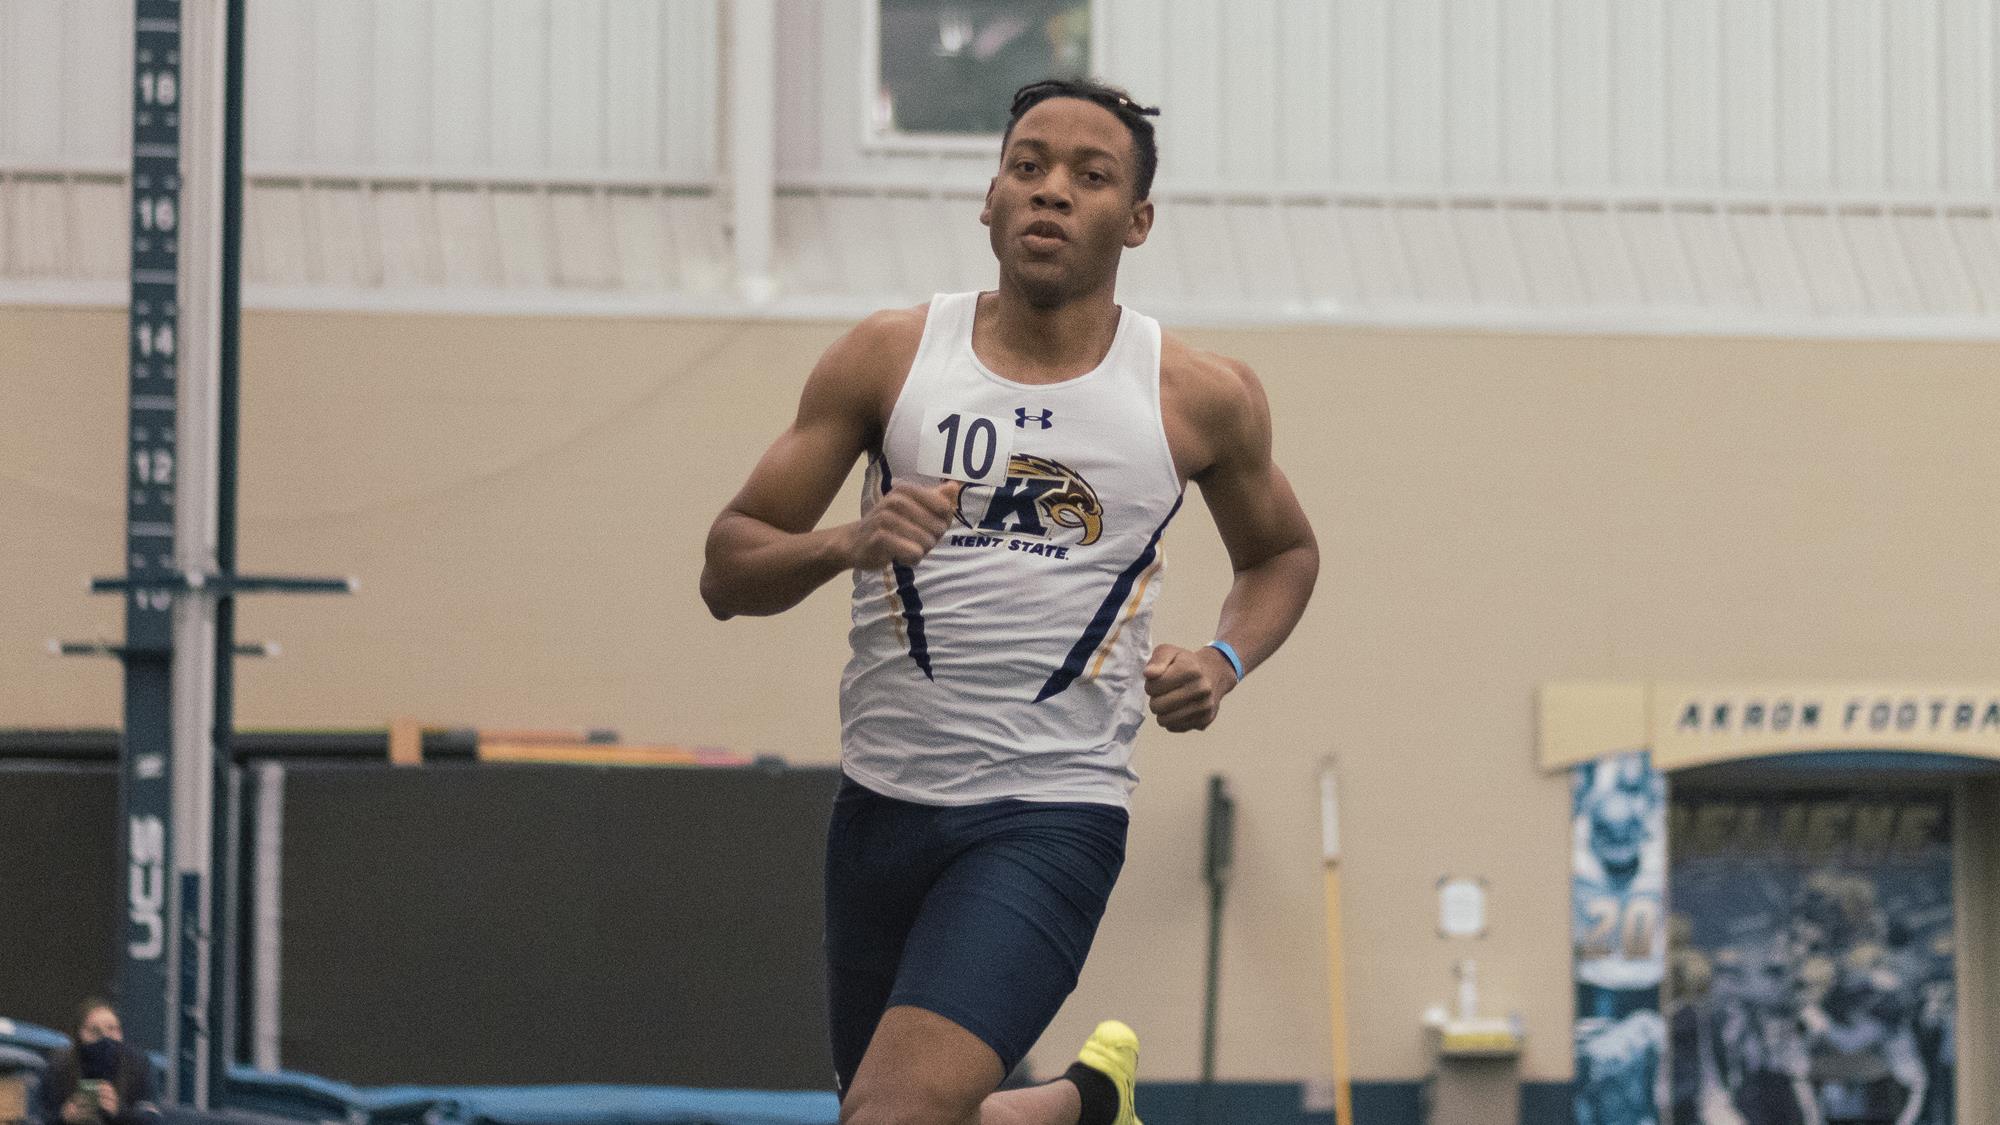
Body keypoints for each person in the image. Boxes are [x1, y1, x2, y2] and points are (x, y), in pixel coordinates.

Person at [701, 76, 1318, 1125]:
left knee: (893, 1114)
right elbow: (728, 567)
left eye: (1089, 176)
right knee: (891, 1111)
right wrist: (848, 540)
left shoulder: (1195, 395)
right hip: (879, 808)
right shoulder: (889, 358)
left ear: (1137, 221)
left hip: (1050, 813)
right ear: (988, 199)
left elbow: (1283, 554)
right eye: (1027, 166)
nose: (1051, 191)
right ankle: (1079, 1107)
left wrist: (1222, 663)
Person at [34, 1000, 158, 1125]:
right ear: (78, 1034)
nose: (105, 1038)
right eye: (95, 1031)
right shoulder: (59, 1066)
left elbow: (152, 1119)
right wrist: (64, 1117)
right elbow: (39, 1116)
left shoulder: (138, 1065)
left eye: (112, 1029)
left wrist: (120, 1112)